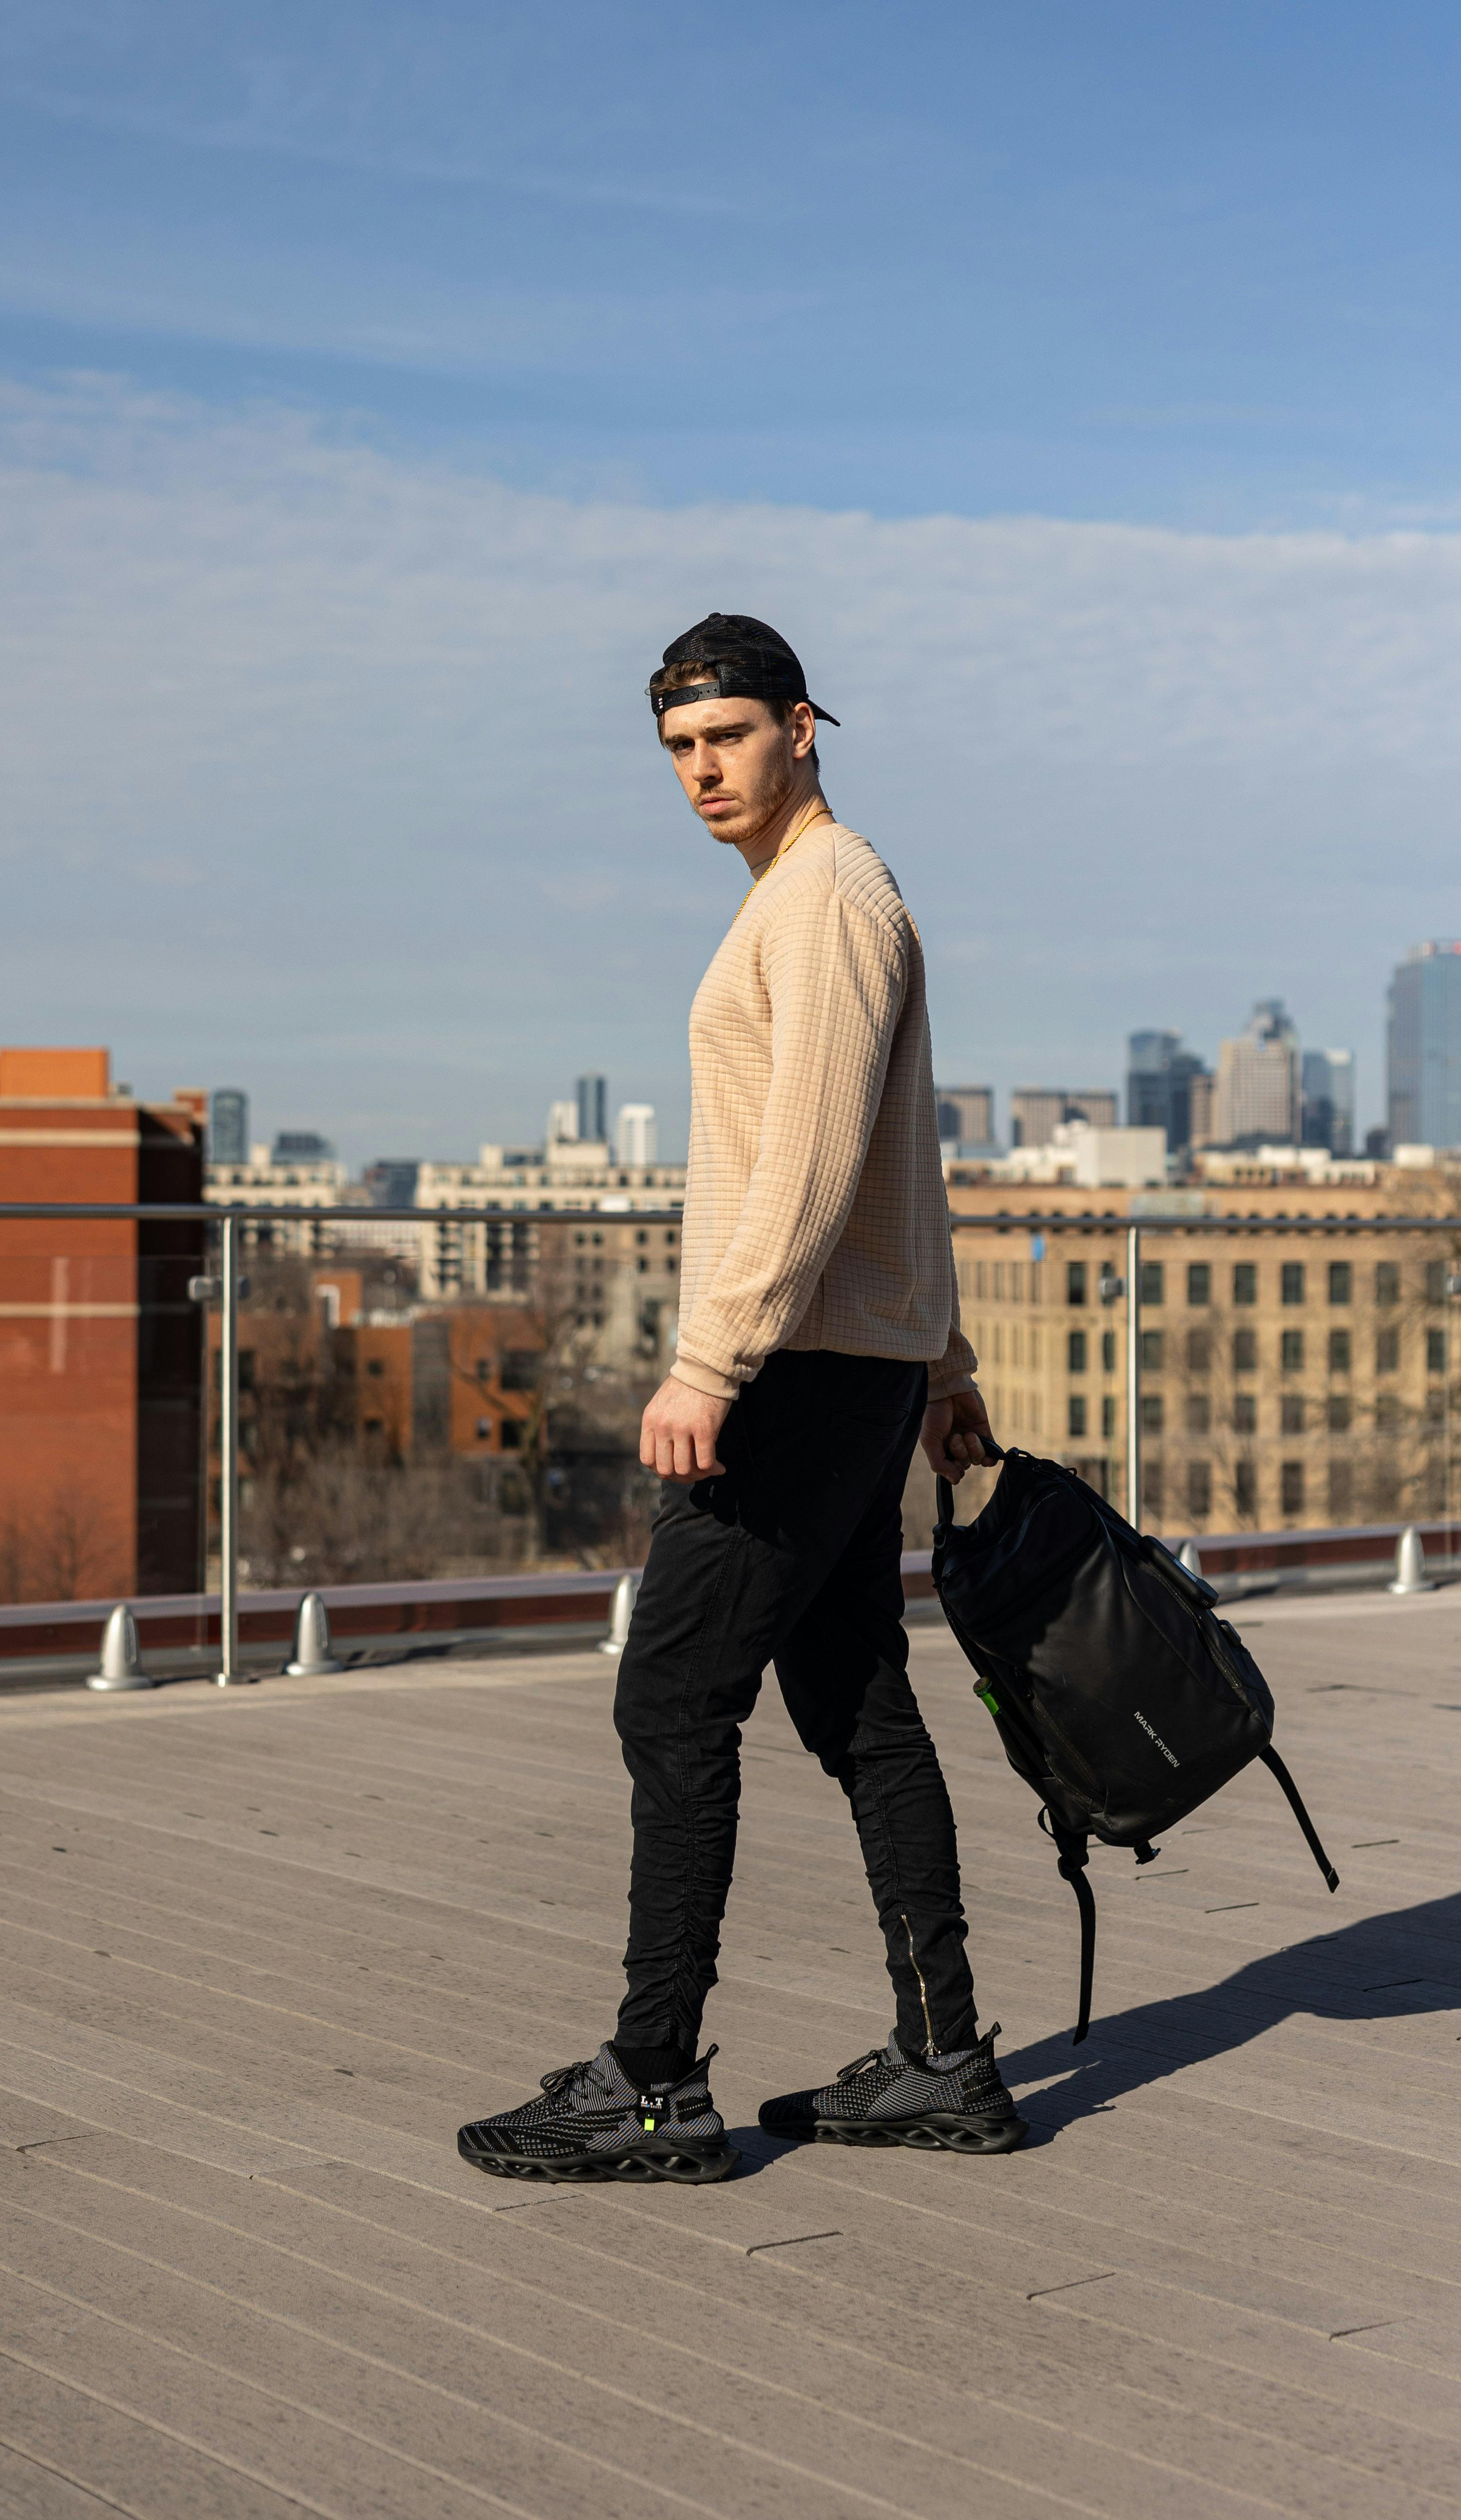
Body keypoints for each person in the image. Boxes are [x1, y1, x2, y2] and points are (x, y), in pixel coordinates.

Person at [458, 613, 1022, 2185]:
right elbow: (907, 1163)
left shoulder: (828, 894)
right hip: (852, 1366)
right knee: (854, 1702)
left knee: (672, 1700)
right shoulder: (799, 898)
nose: (702, 772)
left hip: (792, 1374)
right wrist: (946, 1368)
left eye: (726, 738)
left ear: (800, 729)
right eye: (678, 752)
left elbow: (825, 1161)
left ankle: (650, 2084)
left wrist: (711, 1359)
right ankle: (943, 2059)